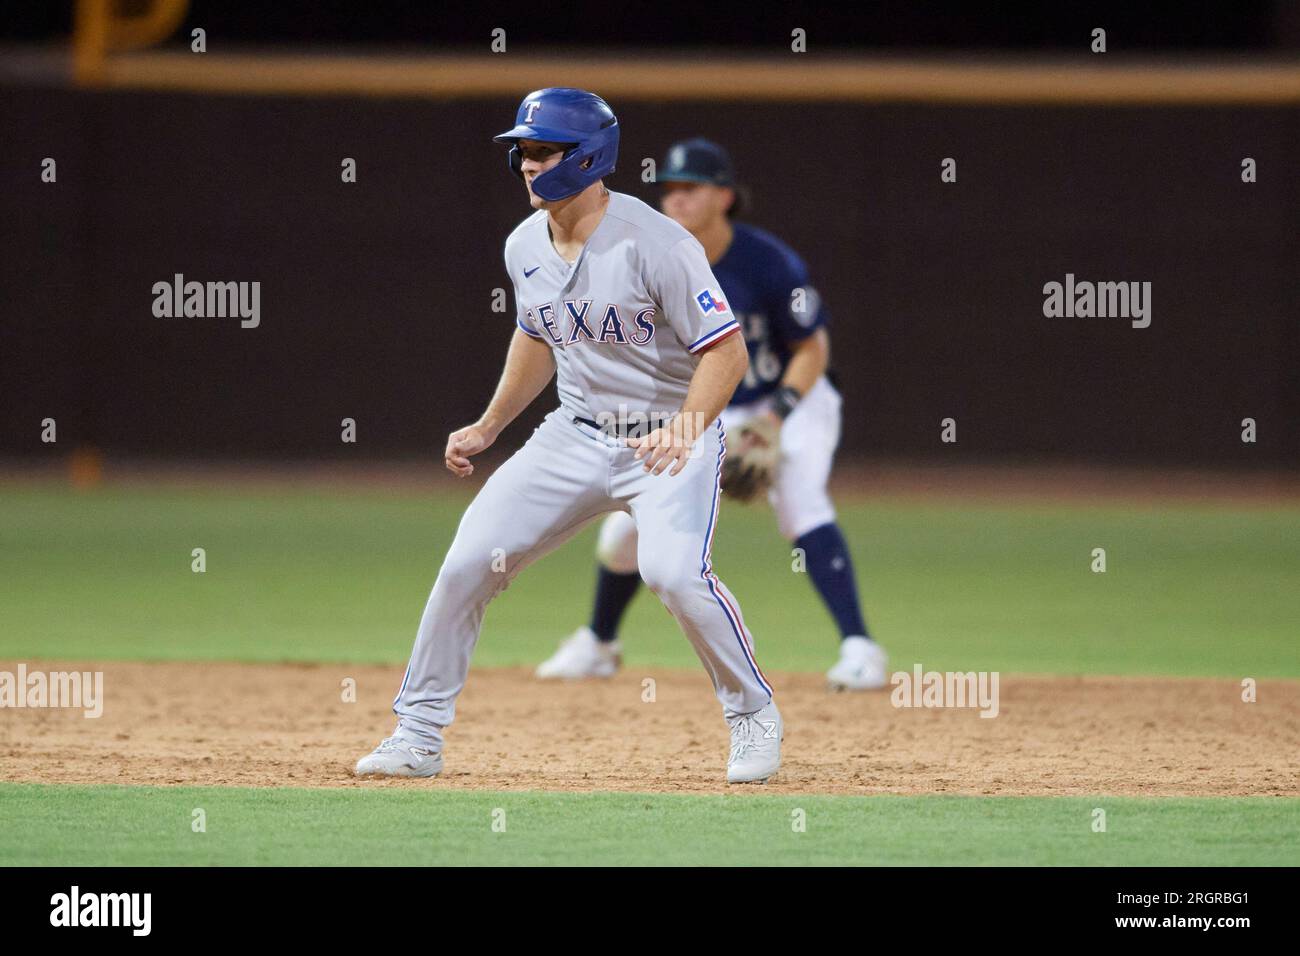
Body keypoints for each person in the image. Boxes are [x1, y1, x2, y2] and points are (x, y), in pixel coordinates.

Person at [355, 91, 782, 784]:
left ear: (586, 157)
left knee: (673, 574)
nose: (526, 164)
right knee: (469, 562)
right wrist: (491, 425)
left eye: (541, 151)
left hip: (666, 442)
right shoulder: (523, 245)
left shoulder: (658, 243)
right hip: (574, 435)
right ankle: (418, 733)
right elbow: (537, 338)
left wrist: (686, 426)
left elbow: (725, 352)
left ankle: (752, 712)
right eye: (522, 151)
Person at [535, 138, 888, 691]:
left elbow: (812, 349)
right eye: (669, 189)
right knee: (623, 535)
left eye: (690, 189)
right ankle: (599, 643)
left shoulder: (768, 261)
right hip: (701, 404)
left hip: (788, 399)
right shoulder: (647, 253)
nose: (675, 200)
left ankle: (859, 647)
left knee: (800, 500)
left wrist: (775, 417)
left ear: (723, 196)